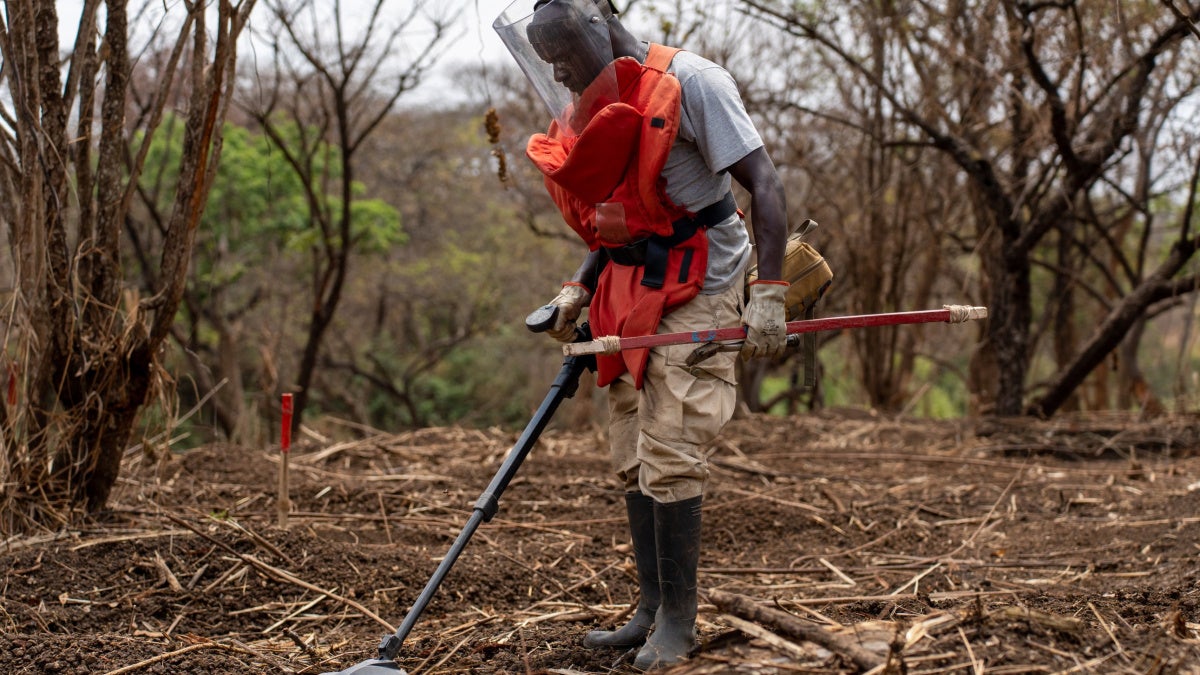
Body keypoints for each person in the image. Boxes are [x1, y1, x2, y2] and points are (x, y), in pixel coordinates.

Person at [495, 0, 789, 669]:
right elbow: (622, 216)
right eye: (554, 66)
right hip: (627, 290)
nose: (567, 78)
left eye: (569, 59)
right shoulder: (598, 101)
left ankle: (680, 622)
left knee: (673, 442)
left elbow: (765, 184)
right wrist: (578, 283)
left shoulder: (694, 83)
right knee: (631, 447)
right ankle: (651, 607)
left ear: (600, 27)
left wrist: (769, 294)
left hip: (703, 286)